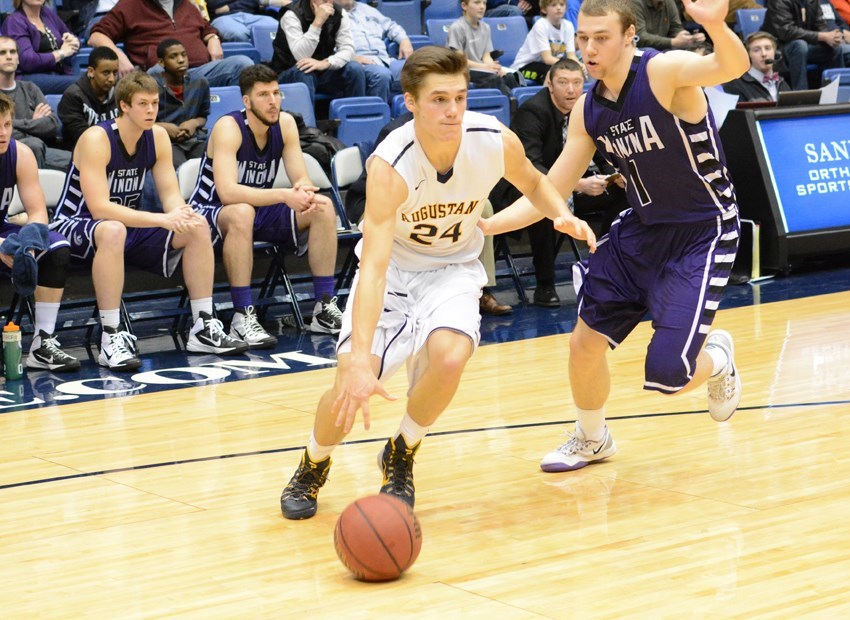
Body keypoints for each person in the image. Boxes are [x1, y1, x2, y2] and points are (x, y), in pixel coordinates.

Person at [278, 47, 596, 520]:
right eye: (439, 100)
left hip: (452, 269)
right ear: (410, 101)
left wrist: (562, 214)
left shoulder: (492, 138)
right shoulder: (391, 166)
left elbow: (534, 182)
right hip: (394, 276)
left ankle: (402, 450)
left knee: (451, 356)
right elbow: (374, 270)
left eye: (460, 98)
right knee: (348, 388)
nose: (452, 111)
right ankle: (314, 460)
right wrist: (360, 357)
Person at [482, 0, 746, 472]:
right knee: (583, 343)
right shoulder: (588, 109)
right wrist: (485, 225)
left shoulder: (663, 72)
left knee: (669, 376)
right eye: (582, 38)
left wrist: (713, 24)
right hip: (641, 233)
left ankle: (720, 358)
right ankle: (591, 438)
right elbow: (550, 191)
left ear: (630, 36)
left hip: (700, 231)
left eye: (600, 37)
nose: (588, 48)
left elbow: (731, 65)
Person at [51, 71, 248, 372]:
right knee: (113, 229)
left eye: (155, 103)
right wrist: (162, 218)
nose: (151, 110)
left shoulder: (157, 137)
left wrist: (182, 214)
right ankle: (110, 337)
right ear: (124, 106)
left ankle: (203, 326)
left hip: (122, 227)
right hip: (75, 225)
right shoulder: (96, 139)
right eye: (142, 104)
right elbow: (100, 208)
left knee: (196, 227)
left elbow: (171, 196)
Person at [189, 64, 343, 345]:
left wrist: (304, 191)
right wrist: (285, 196)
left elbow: (301, 177)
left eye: (276, 93)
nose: (273, 101)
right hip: (210, 213)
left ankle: (323, 307)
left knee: (322, 207)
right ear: (246, 101)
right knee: (241, 212)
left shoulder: (285, 124)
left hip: (254, 210)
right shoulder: (228, 128)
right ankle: (242, 317)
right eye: (263, 95)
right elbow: (227, 193)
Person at [343, 111, 513, 316]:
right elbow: (393, 191)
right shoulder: (396, 133)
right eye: (439, 100)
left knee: (483, 207)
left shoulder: (464, 131)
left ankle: (480, 290)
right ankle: (401, 289)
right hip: (376, 203)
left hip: (434, 199)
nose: (450, 111)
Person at [491, 58, 628, 307]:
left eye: (577, 83)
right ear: (549, 85)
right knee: (545, 208)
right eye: (563, 83)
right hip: (521, 190)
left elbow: (600, 151)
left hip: (570, 186)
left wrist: (615, 174)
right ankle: (545, 286)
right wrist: (578, 184)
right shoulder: (533, 111)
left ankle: (605, 268)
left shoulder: (586, 110)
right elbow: (532, 166)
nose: (571, 90)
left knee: (622, 195)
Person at [0, 92, 80, 372]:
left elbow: (37, 211)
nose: (3, 133)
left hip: (3, 227)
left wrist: (31, 243)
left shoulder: (20, 153)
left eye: (7, 125)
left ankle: (42, 343)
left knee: (55, 247)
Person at [87, 0, 253, 87]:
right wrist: (119, 56)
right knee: (155, 74)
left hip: (198, 73)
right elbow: (96, 35)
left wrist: (213, 39)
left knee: (243, 63)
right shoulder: (130, 5)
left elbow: (206, 28)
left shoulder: (186, 5)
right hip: (159, 77)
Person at [269, 0, 366, 105]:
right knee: (304, 69)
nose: (327, 1)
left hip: (322, 71)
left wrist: (326, 63)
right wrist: (318, 22)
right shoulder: (291, 14)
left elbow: (348, 49)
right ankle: (307, 121)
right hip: (289, 73)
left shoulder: (339, 13)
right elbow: (301, 56)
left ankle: (353, 117)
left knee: (354, 69)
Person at [0, 36, 71, 171]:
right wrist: (34, 124)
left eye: (13, 52)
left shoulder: (30, 88)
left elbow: (52, 124)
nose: (8, 56)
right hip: (6, 151)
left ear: (18, 59)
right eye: (2, 53)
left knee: (79, 159)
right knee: (33, 145)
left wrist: (13, 123)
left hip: (41, 151)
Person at [338, 0, 414, 101]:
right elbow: (328, 48)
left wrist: (404, 40)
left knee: (420, 69)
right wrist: (351, 57)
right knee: (382, 75)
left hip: (385, 59)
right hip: (361, 63)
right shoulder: (331, 14)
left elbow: (391, 26)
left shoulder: (367, 9)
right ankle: (377, 114)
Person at [0, 0, 81, 95]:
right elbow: (27, 61)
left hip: (58, 73)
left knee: (92, 79)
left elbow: (72, 37)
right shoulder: (15, 21)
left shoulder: (46, 13)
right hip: (29, 77)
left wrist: (74, 42)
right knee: (85, 84)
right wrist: (61, 53)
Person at [763, 0, 848, 90]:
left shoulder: (812, 1)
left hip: (805, 45)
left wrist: (832, 36)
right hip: (778, 47)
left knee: (834, 47)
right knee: (799, 45)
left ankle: (835, 92)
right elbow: (786, 31)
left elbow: (820, 23)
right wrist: (822, 36)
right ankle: (801, 94)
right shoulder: (778, 1)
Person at [447, 0, 525, 97]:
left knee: (510, 77)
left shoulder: (485, 28)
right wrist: (486, 67)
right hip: (465, 70)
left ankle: (519, 104)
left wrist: (494, 67)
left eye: (484, 3)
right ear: (464, 6)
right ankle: (511, 104)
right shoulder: (457, 28)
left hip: (482, 70)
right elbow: (460, 61)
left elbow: (486, 57)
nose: (482, 7)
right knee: (493, 79)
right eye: (477, 3)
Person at [153, 39, 209, 170]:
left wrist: (194, 123)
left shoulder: (200, 82)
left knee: (207, 167)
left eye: (184, 55)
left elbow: (203, 116)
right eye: (174, 56)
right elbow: (140, 123)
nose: (181, 60)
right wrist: (163, 127)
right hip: (166, 142)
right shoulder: (152, 86)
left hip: (194, 140)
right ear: (161, 62)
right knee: (181, 170)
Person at [57, 46, 119, 151]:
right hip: (79, 156)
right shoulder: (73, 96)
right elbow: (83, 137)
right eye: (106, 73)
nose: (112, 79)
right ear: (91, 71)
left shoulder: (120, 93)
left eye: (115, 73)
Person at [510, 0, 581, 84]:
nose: (558, 8)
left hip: (553, 64)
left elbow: (571, 55)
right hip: (524, 67)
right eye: (553, 5)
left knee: (578, 70)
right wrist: (569, 66)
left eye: (562, 5)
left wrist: (579, 65)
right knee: (552, 73)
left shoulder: (568, 25)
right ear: (544, 9)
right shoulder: (541, 25)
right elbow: (547, 58)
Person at [722, 31, 791, 102]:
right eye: (756, 50)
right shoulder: (736, 85)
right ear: (748, 55)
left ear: (775, 53)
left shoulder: (782, 83)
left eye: (767, 48)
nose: (764, 54)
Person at [632, 0, 706, 50]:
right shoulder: (635, 3)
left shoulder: (668, 2)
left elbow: (676, 28)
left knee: (700, 50)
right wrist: (672, 42)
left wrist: (689, 38)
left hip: (663, 50)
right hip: (640, 51)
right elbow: (639, 37)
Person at [206, 0, 279, 43]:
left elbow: (255, 1)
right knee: (238, 34)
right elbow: (213, 4)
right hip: (223, 18)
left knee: (276, 27)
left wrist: (230, 7)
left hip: (251, 16)